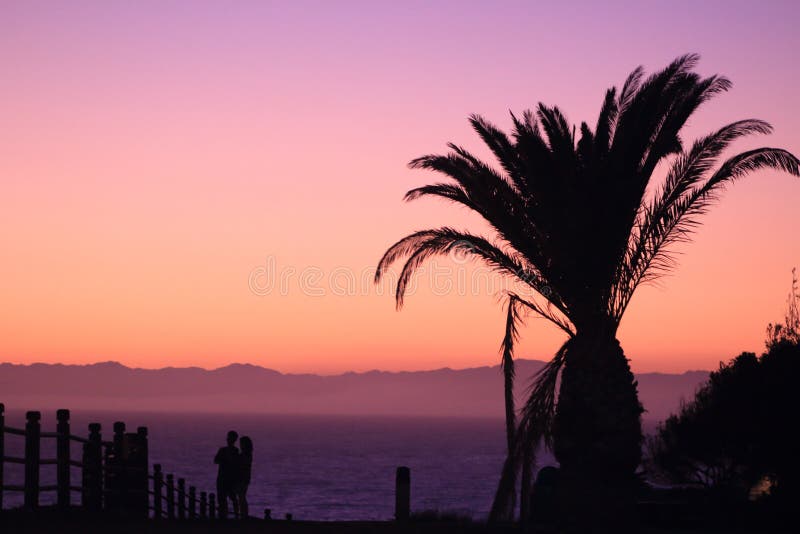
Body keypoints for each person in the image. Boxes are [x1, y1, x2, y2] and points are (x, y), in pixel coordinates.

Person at [214, 430, 240, 519]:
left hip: (228, 478)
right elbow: (216, 460)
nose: (228, 439)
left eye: (230, 438)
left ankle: (233, 515)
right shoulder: (225, 450)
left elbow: (217, 460)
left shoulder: (233, 451)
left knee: (231, 497)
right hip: (224, 477)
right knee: (223, 498)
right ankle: (224, 515)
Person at [237, 436, 253, 518]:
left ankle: (244, 514)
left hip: (242, 478)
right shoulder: (248, 455)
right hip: (245, 478)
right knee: (242, 497)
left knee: (241, 497)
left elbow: (242, 465)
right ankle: (243, 514)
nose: (240, 445)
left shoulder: (245, 455)